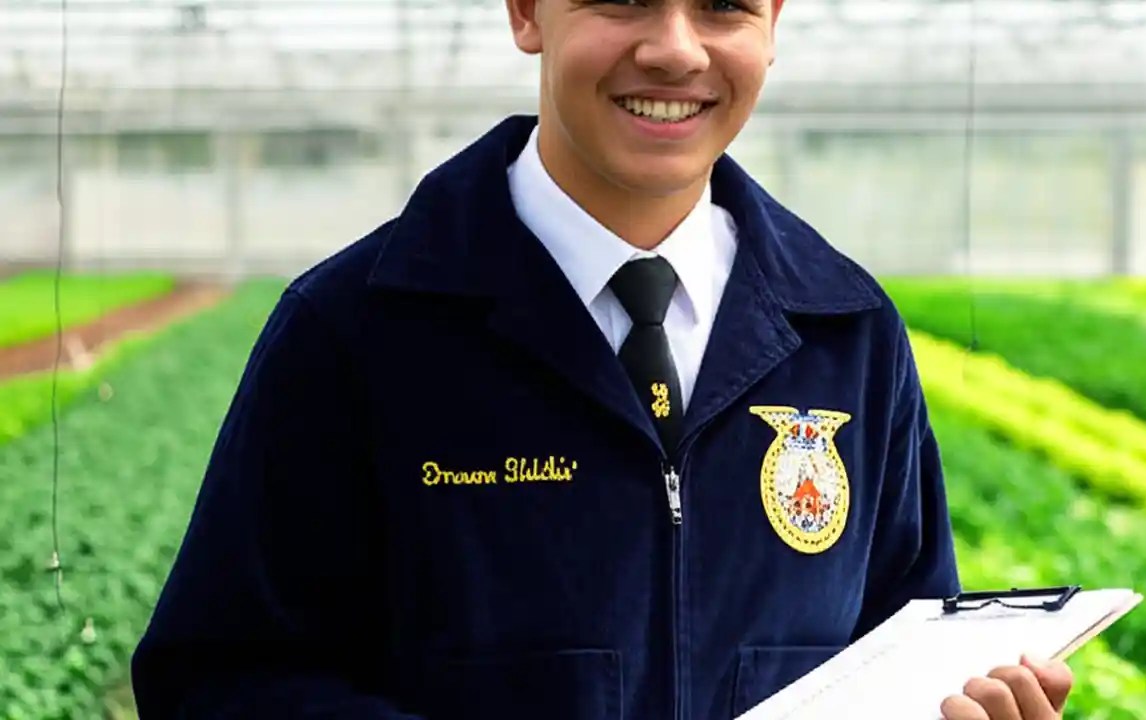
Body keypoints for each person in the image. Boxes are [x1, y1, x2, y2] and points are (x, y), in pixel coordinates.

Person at [131, 0, 1076, 718]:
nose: (675, 46)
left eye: (723, 4)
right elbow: (220, 677)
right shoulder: (358, 331)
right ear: (525, 11)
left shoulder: (848, 331)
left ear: (776, 22)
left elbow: (906, 644)